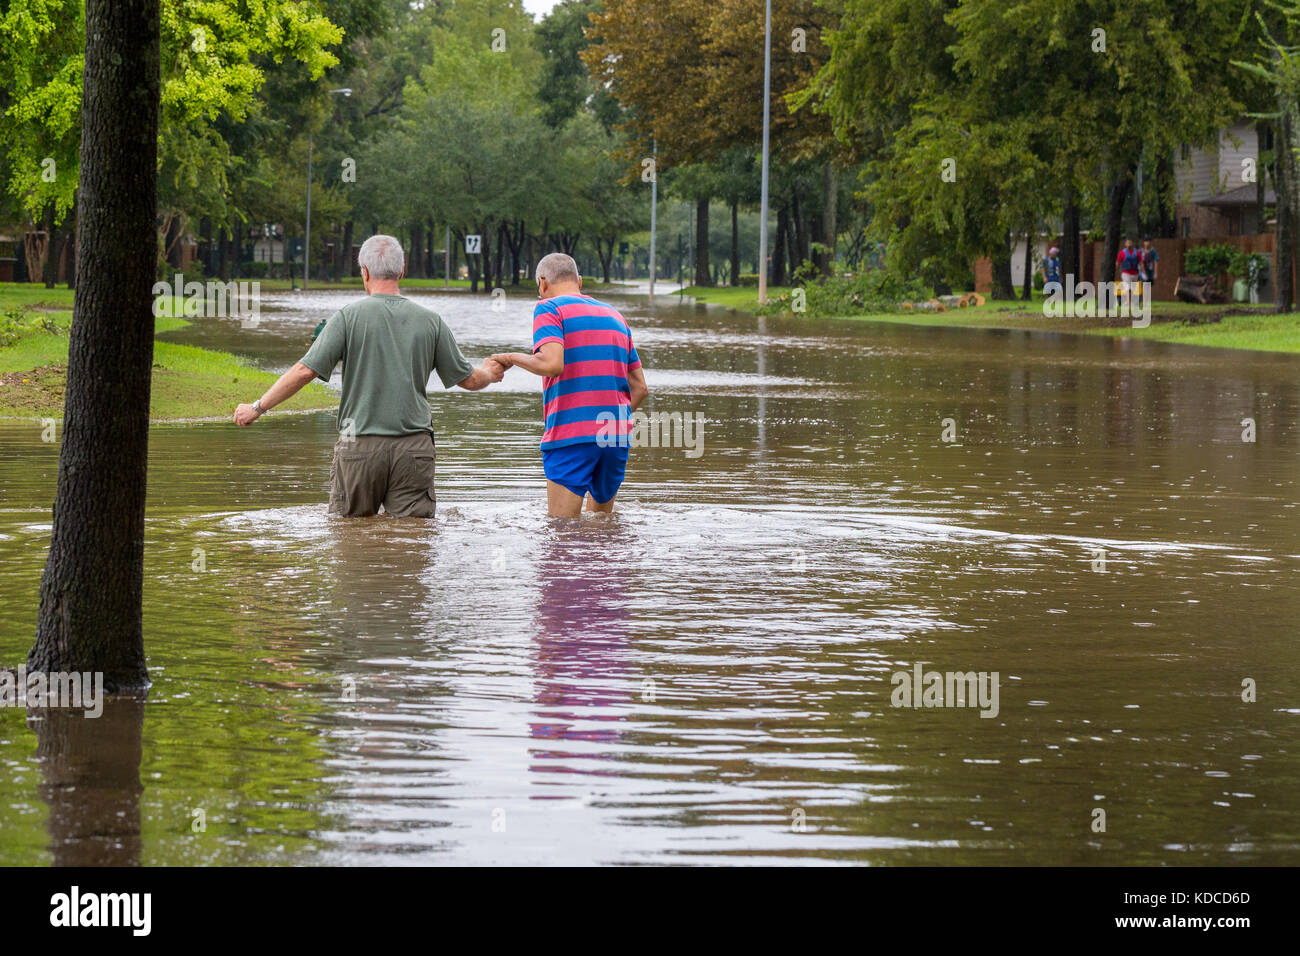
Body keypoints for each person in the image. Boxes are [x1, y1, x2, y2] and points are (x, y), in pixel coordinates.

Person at [232, 234, 505, 517]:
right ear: (402, 270)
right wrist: (489, 371)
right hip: (414, 447)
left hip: (358, 443)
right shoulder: (431, 321)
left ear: (363, 271)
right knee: (411, 544)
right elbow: (469, 380)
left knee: (350, 540)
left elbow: (304, 371)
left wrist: (257, 408)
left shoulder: (347, 317)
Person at [491, 252, 648, 518]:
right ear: (580, 281)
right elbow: (641, 388)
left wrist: (511, 358)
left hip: (571, 436)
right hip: (615, 437)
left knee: (562, 532)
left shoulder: (549, 308)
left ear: (542, 283)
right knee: (602, 527)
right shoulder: (615, 316)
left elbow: (552, 364)